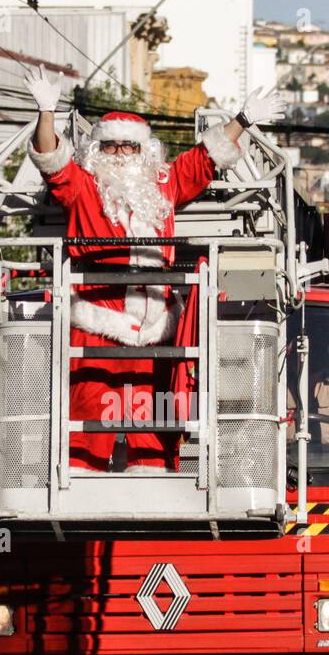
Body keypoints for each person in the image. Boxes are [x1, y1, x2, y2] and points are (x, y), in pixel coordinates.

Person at [22, 65, 287, 472]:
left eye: (130, 147)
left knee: (153, 421)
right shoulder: (82, 188)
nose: (121, 155)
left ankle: (150, 484)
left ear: (144, 152)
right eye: (112, 148)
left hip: (155, 333)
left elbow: (204, 158)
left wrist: (243, 119)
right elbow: (51, 159)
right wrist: (46, 111)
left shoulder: (162, 185)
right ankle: (81, 490)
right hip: (96, 328)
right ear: (97, 153)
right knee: (88, 422)